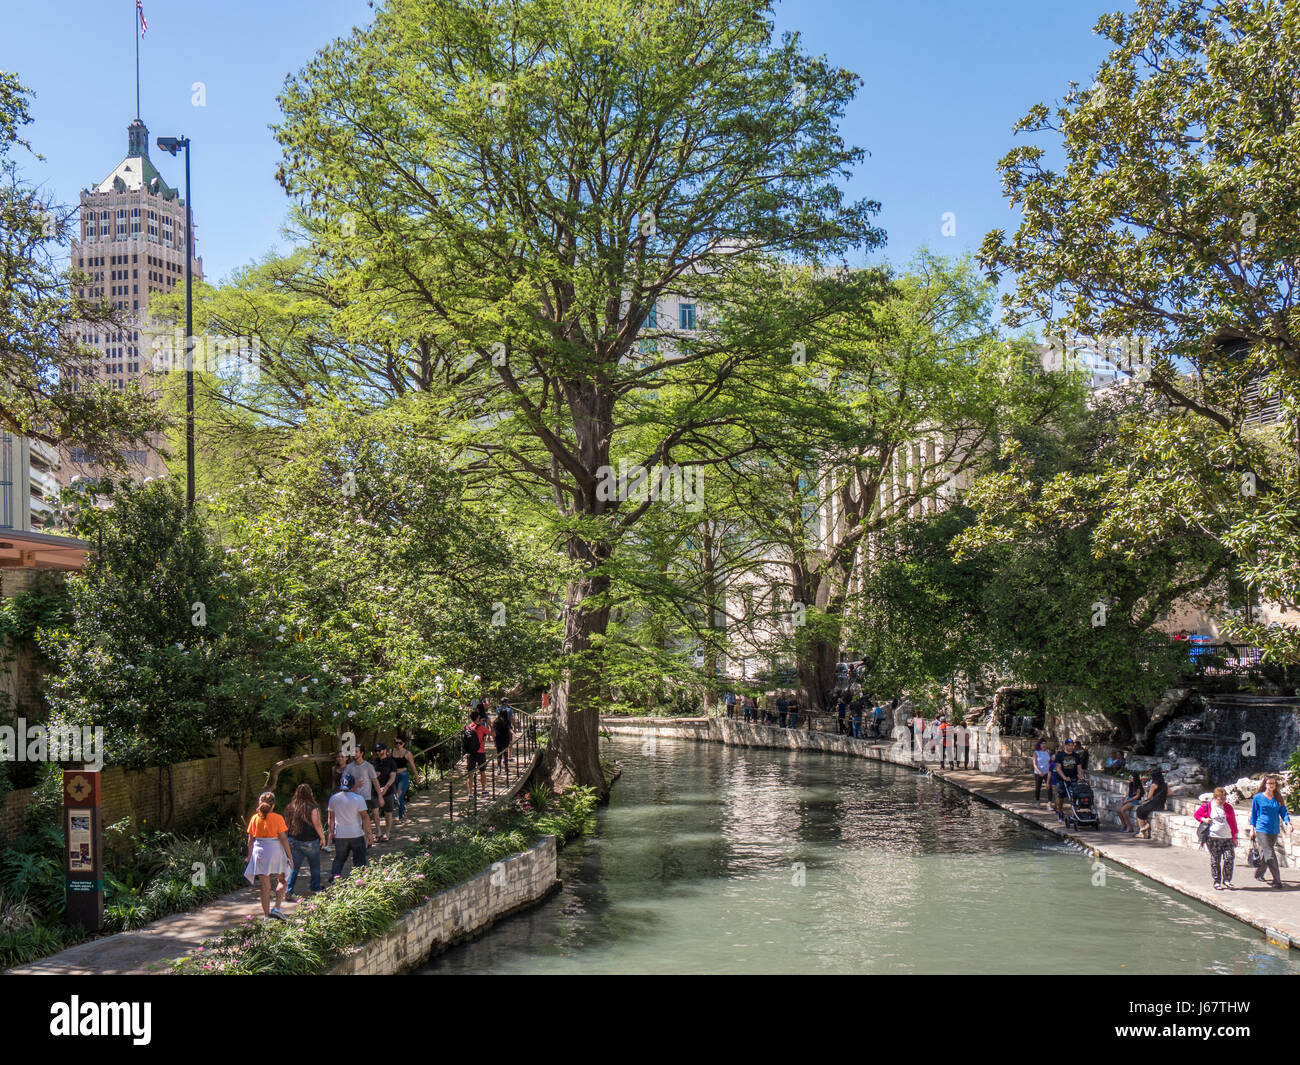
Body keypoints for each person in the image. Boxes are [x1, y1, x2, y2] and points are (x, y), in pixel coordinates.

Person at [244, 791, 292, 920]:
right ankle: (276, 907)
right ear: (273, 805)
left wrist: (249, 857)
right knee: (282, 879)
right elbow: (283, 839)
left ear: (260, 803)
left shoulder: (254, 818)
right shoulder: (278, 818)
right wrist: (290, 857)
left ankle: (266, 916)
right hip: (275, 850)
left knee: (265, 886)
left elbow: (250, 840)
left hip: (259, 851)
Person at [1248, 775, 1293, 888]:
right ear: (1265, 784)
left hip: (1274, 829)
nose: (1271, 785)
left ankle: (1258, 874)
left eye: (1273, 783)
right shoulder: (1258, 797)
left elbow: (1283, 812)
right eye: (1269, 783)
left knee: (1265, 853)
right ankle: (1277, 881)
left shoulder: (1278, 797)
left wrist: (1288, 822)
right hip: (1261, 829)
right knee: (1270, 854)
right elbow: (1253, 814)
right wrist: (1252, 829)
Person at [327, 772, 372, 882]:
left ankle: (334, 878)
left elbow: (330, 818)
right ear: (353, 785)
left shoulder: (333, 799)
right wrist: (369, 833)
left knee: (339, 859)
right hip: (356, 833)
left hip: (340, 835)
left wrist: (331, 832)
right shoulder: (358, 799)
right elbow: (365, 817)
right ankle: (359, 881)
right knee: (359, 860)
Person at [284, 783, 326, 898]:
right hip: (310, 841)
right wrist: (322, 837)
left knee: (294, 867)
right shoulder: (313, 808)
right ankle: (315, 887)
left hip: (293, 840)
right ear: (310, 794)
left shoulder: (290, 807)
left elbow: (286, 825)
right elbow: (317, 824)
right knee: (314, 866)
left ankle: (289, 889)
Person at [1195, 787, 1239, 890]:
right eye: (1220, 799)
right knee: (1215, 859)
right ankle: (1217, 881)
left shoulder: (1228, 807)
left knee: (1229, 858)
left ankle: (1227, 880)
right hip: (1213, 837)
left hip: (1227, 837)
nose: (1222, 801)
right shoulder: (1208, 806)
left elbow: (1233, 822)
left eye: (1224, 799)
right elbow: (1197, 815)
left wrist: (1235, 836)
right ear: (1215, 798)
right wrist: (1204, 820)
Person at [350, 747, 385, 843]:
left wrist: (380, 796)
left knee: (372, 815)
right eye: (353, 752)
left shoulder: (368, 766)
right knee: (360, 819)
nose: (354, 754)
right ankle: (365, 840)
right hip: (354, 798)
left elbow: (375, 781)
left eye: (356, 752)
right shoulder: (349, 767)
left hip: (368, 796)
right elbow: (344, 782)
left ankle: (376, 834)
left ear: (361, 753)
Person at [1052, 739, 1084, 823]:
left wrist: (1080, 775)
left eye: (1072, 745)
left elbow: (1079, 767)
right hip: (1062, 779)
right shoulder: (1060, 755)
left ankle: (1073, 814)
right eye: (1069, 745)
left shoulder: (1076, 756)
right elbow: (1058, 768)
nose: (1071, 747)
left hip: (1073, 778)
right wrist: (1064, 777)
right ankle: (1060, 812)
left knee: (1074, 796)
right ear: (1065, 746)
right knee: (1061, 797)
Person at [372, 742, 399, 843]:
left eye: (380, 750)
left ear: (385, 750)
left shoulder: (391, 762)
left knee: (388, 813)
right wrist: (375, 776)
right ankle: (378, 832)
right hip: (375, 790)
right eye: (376, 751)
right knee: (375, 812)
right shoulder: (374, 762)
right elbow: (370, 776)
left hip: (388, 790)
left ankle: (387, 833)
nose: (378, 753)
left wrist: (386, 787)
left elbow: (393, 776)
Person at [463, 708, 489, 796]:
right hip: (481, 752)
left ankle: (470, 792)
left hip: (471, 753)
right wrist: (484, 723)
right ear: (478, 718)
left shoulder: (467, 727)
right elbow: (492, 733)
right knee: (482, 771)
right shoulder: (482, 728)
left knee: (470, 773)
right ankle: (483, 789)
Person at [1135, 769, 1168, 839]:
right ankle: (1145, 830)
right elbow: (1170, 793)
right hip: (1161, 804)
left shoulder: (1154, 785)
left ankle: (1143, 829)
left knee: (1139, 809)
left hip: (1154, 804)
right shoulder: (1164, 784)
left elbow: (1149, 797)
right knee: (1144, 810)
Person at [391, 737, 418, 821]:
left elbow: (412, 766)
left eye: (400, 743)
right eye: (396, 743)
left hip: (403, 776)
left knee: (399, 796)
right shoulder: (391, 751)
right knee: (395, 796)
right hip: (394, 776)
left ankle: (400, 817)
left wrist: (416, 776)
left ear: (403, 743)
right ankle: (403, 810)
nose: (398, 745)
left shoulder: (407, 753)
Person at [1031, 739, 1052, 806]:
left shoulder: (1048, 752)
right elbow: (1034, 764)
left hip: (1047, 772)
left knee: (1049, 786)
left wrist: (1050, 770)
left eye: (1045, 743)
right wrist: (1039, 771)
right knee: (1038, 787)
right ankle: (1037, 801)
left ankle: (1049, 802)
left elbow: (1050, 762)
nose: (1044, 745)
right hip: (1038, 772)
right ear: (1039, 744)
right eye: (1042, 743)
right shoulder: (1036, 752)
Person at [493, 706, 513, 770]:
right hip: (504, 739)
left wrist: (494, 740)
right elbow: (509, 729)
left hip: (500, 739)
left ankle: (501, 766)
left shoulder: (496, 721)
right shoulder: (506, 721)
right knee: (504, 753)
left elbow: (494, 732)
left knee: (501, 753)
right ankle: (504, 766)